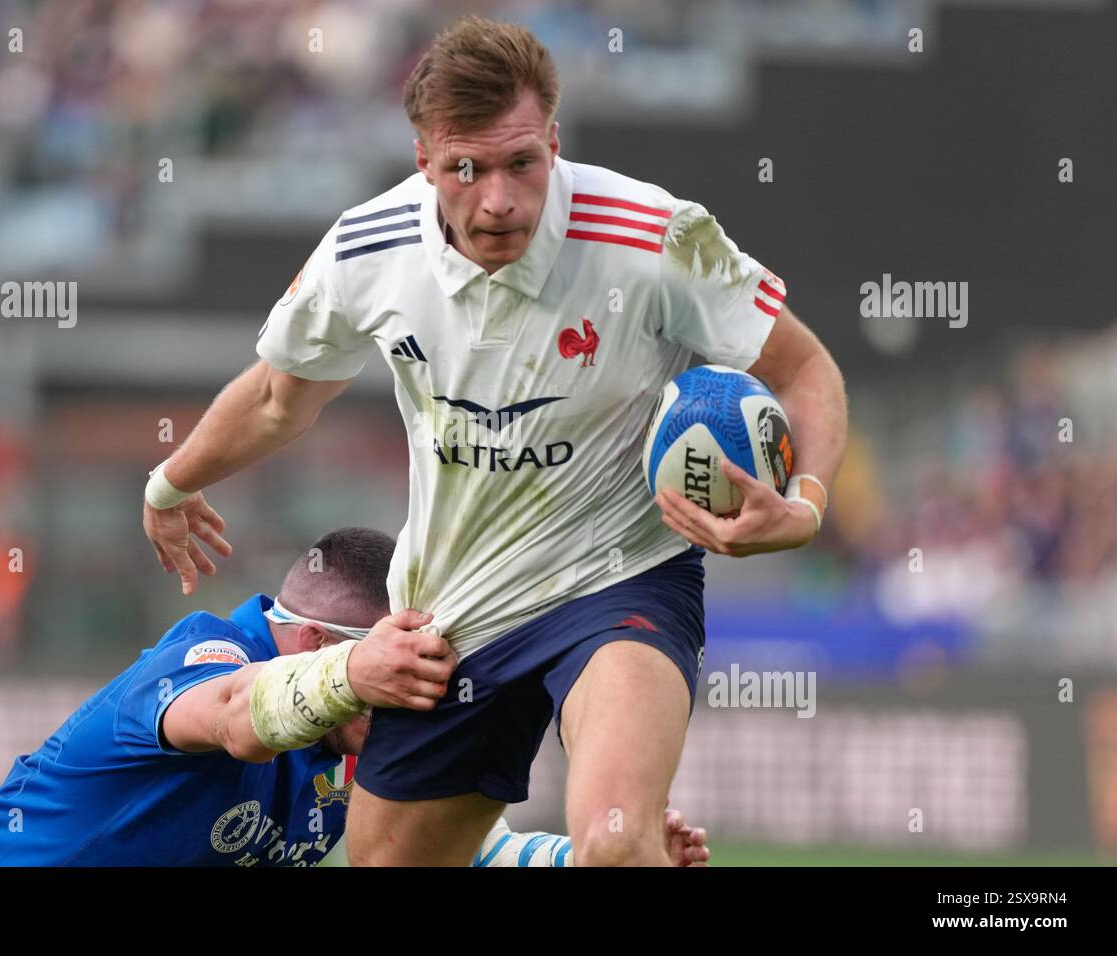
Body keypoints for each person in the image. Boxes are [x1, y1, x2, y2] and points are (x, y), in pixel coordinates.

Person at [141, 17, 846, 866]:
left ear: (554, 139)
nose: (499, 199)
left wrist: (805, 505)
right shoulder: (369, 249)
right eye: (465, 169)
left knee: (617, 846)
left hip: (619, 579)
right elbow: (275, 401)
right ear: (423, 161)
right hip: (453, 612)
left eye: (522, 163)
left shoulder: (653, 236)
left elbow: (805, 370)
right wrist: (169, 485)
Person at [0, 528, 709, 867]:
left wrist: (597, 856)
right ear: (312, 641)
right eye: (396, 673)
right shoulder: (207, 659)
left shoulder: (347, 744)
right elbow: (235, 718)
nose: (416, 699)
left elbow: (469, 846)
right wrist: (355, 678)